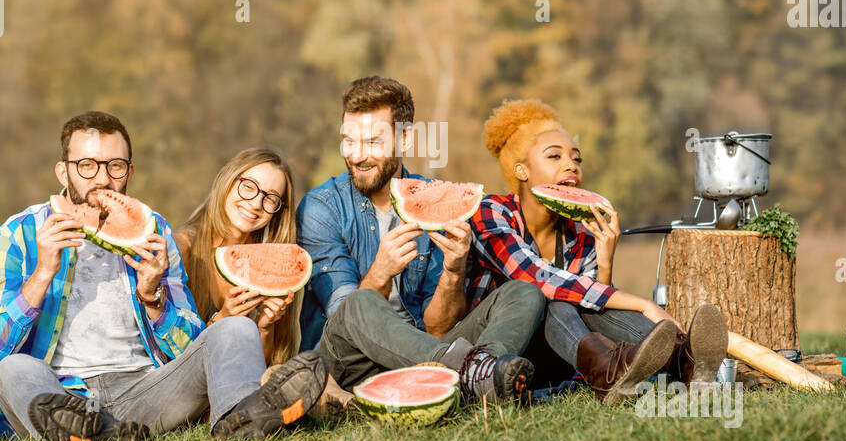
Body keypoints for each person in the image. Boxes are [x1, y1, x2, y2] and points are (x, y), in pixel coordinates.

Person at [0, 112, 327, 441]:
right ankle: (94, 434)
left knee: (235, 329)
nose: (103, 179)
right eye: (87, 165)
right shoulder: (20, 233)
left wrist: (153, 297)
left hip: (146, 391)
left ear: (130, 171)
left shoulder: (154, 232)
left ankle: (241, 420)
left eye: (116, 166)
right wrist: (42, 274)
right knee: (14, 369)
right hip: (64, 396)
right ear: (63, 172)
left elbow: (188, 346)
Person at [297, 76, 547, 403]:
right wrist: (380, 272)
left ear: (405, 141)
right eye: (348, 140)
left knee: (524, 293)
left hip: (424, 356)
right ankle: (473, 375)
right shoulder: (321, 208)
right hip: (346, 367)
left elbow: (438, 328)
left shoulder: (434, 199)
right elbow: (344, 319)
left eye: (372, 142)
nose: (356, 156)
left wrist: (454, 272)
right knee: (361, 301)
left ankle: (478, 378)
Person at [468, 99, 728, 401]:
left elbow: (592, 303)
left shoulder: (580, 231)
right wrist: (643, 304)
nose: (570, 165)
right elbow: (534, 277)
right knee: (552, 298)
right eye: (554, 156)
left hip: (560, 359)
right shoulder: (492, 212)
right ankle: (642, 367)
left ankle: (683, 362)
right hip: (497, 359)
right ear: (522, 171)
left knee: (570, 301)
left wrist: (605, 260)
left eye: (576, 158)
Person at [175, 146, 352, 415]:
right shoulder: (183, 248)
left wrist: (266, 327)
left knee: (299, 366)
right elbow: (170, 353)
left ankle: (345, 404)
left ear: (277, 211)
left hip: (251, 390)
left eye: (271, 198)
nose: (256, 203)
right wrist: (222, 318)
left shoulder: (275, 263)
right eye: (249, 187)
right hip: (197, 393)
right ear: (228, 180)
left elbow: (265, 366)